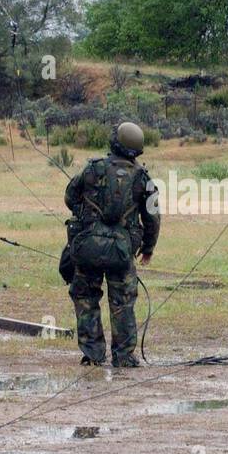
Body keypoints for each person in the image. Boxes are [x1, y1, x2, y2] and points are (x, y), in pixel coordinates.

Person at [63, 122, 160, 368]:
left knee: (85, 297)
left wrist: (87, 217)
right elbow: (152, 218)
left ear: (115, 142)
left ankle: (93, 355)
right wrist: (148, 249)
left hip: (88, 248)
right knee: (123, 301)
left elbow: (70, 197)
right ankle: (124, 356)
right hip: (123, 250)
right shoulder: (144, 180)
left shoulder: (92, 169)